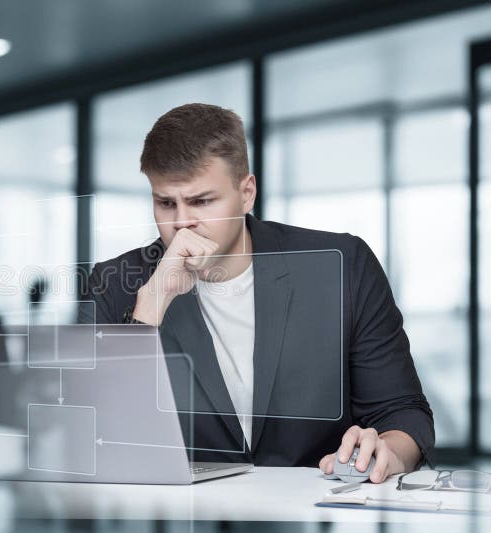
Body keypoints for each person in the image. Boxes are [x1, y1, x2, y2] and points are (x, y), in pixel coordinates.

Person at [80, 103, 434, 482]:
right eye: (166, 203)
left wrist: (388, 451)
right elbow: (89, 435)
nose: (182, 222)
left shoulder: (343, 265)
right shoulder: (114, 284)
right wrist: (147, 311)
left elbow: (403, 412)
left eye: (202, 201)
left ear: (246, 193)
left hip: (316, 513)